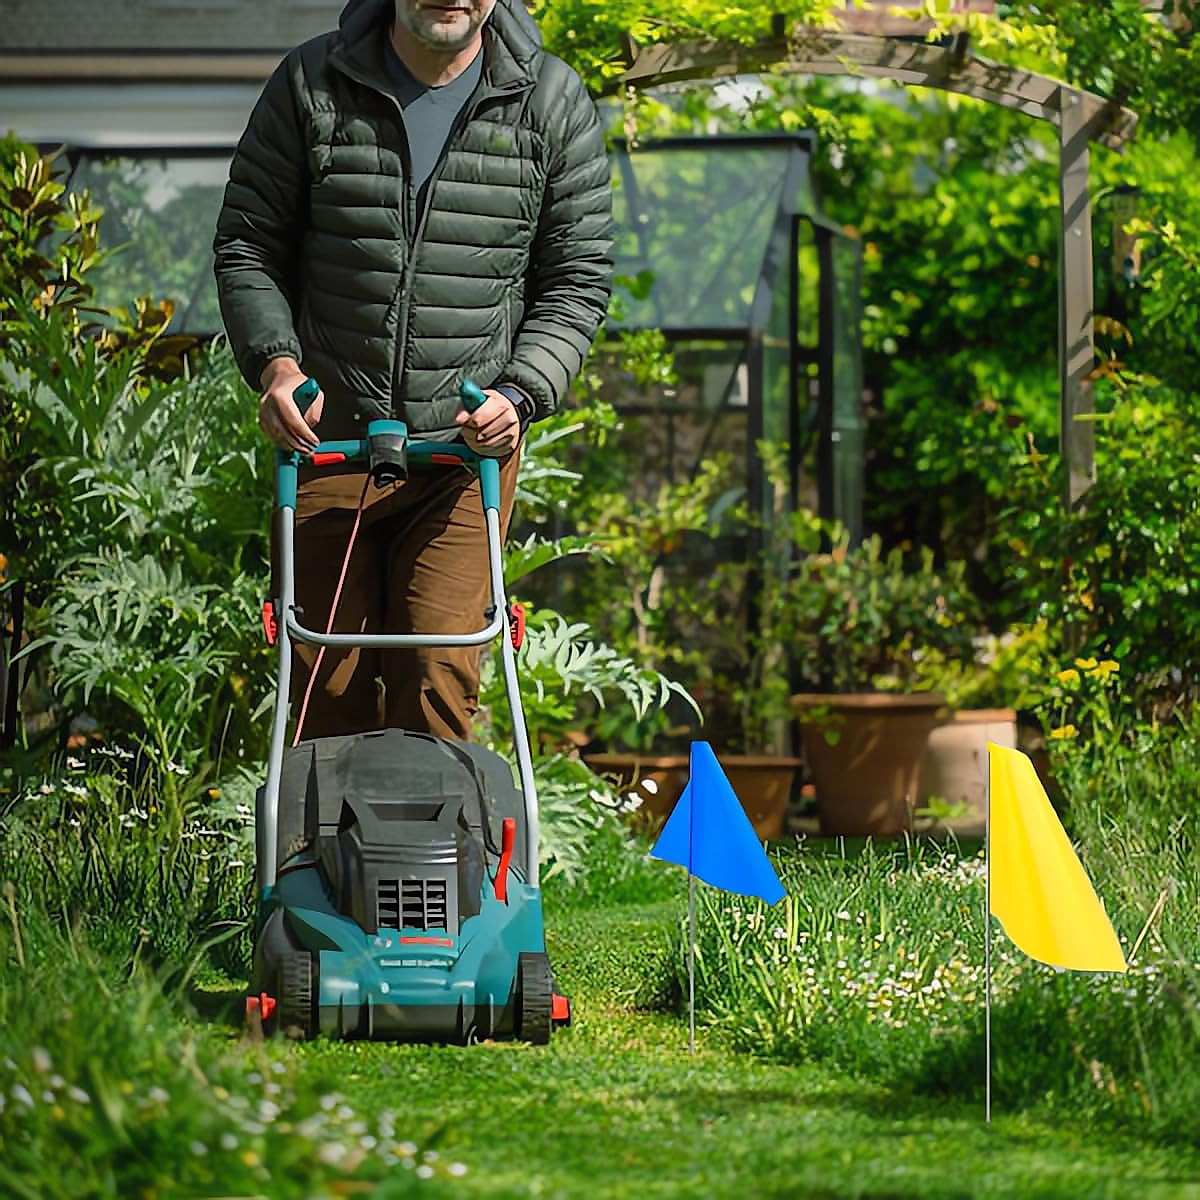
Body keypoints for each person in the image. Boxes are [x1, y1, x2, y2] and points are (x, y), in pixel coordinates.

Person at [213, 0, 613, 743]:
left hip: (466, 454)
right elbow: (247, 244)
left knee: (438, 672)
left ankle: (442, 860)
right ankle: (322, 860)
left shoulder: (550, 100)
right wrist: (275, 362)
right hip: (327, 443)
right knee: (323, 684)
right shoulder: (312, 84)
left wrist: (520, 393)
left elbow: (577, 278)